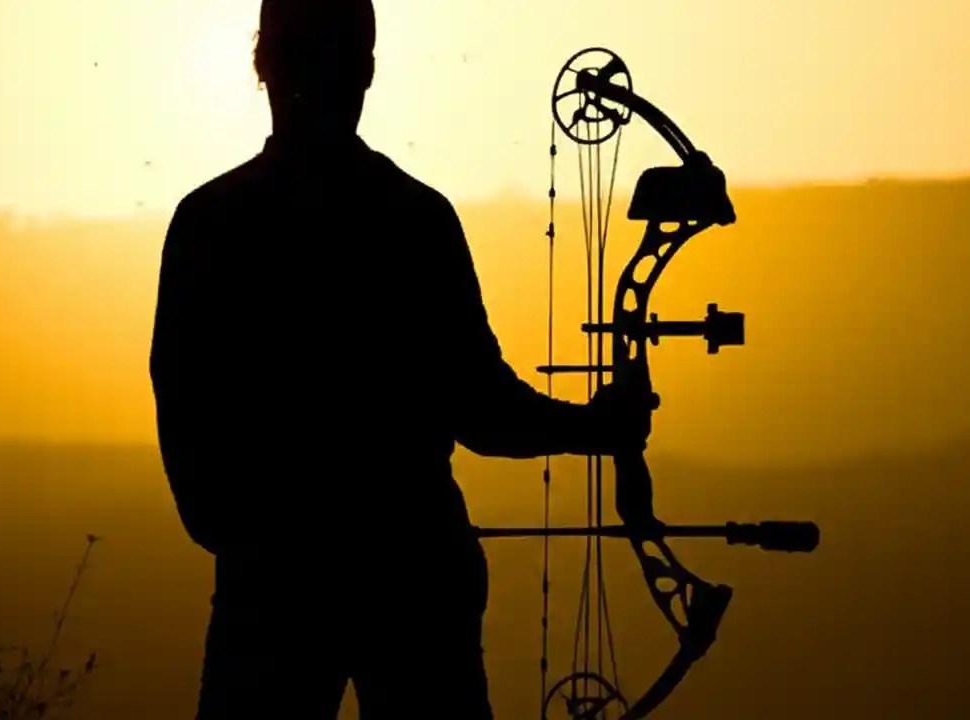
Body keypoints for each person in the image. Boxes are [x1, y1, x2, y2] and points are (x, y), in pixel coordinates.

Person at [148, 1, 652, 717]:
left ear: (261, 65)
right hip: (408, 577)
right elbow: (483, 411)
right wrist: (597, 428)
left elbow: (186, 415)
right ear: (367, 70)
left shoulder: (211, 222)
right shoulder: (412, 218)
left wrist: (251, 539)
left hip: (276, 587)